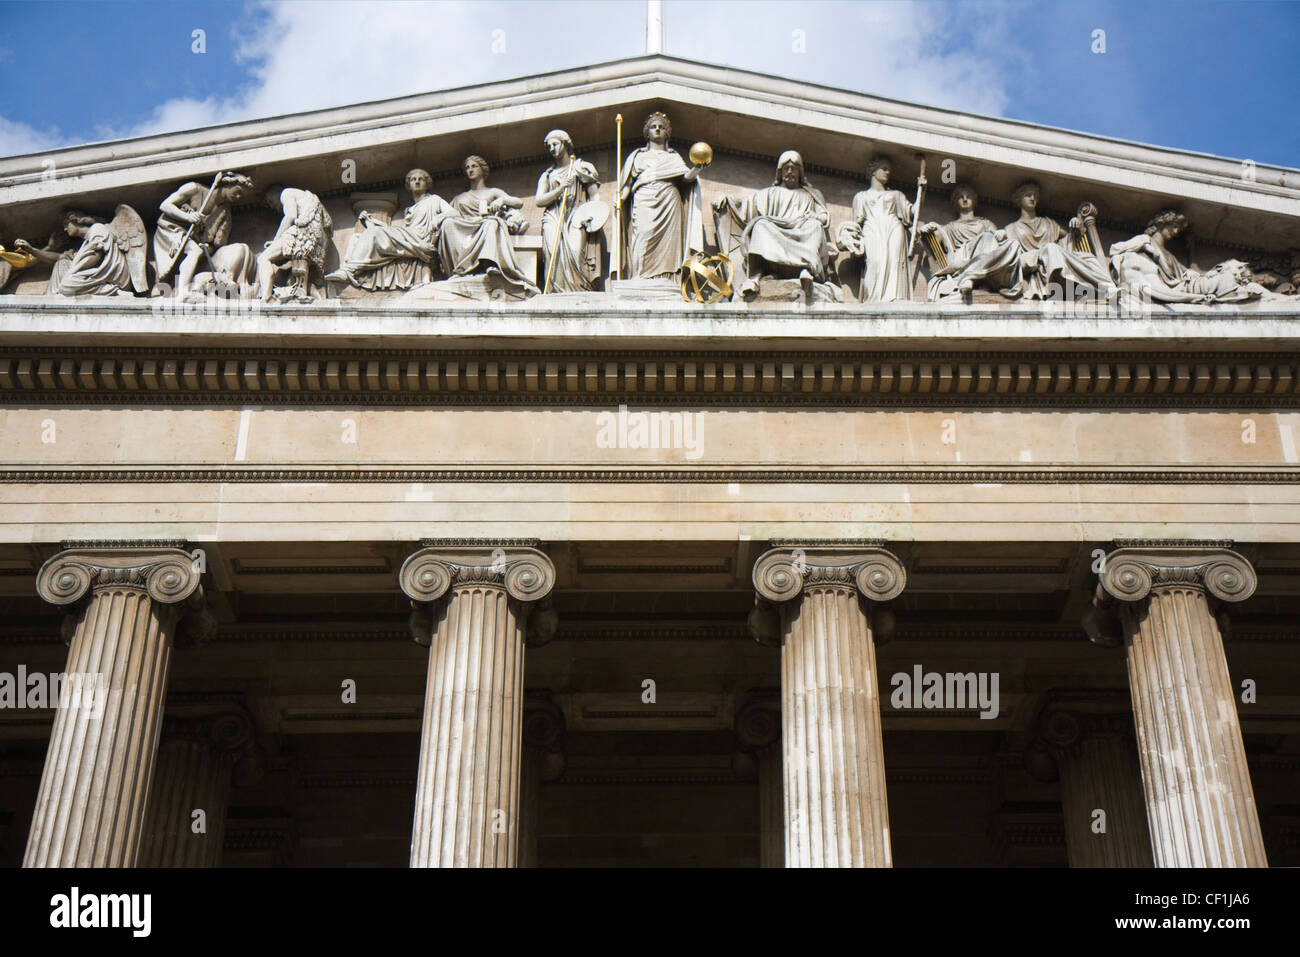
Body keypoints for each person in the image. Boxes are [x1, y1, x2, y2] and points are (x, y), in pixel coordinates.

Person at [714, 150, 835, 299]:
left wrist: (816, 217)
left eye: (794, 168)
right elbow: (745, 206)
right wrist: (726, 198)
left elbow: (823, 216)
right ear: (780, 172)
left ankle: (806, 270)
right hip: (776, 229)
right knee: (761, 225)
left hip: (801, 230)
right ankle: (755, 277)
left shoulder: (812, 194)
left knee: (815, 226)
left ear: (800, 172)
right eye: (786, 168)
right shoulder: (769, 193)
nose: (790, 172)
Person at [327, 169, 451, 291]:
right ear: (409, 185)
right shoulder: (410, 209)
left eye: (421, 179)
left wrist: (438, 219)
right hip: (409, 238)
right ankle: (350, 270)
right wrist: (372, 221)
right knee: (362, 235)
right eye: (413, 179)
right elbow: (401, 233)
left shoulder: (435, 200)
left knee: (374, 233)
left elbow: (454, 214)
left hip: (420, 240)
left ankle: (348, 270)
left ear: (427, 183)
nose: (417, 182)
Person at [1110, 210, 1267, 303]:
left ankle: (1252, 290)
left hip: (1181, 287)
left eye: (1179, 228)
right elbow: (1117, 250)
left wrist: (1191, 264)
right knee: (1223, 280)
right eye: (1174, 226)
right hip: (1165, 288)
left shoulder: (1170, 256)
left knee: (1224, 276)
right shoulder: (1143, 241)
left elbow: (1186, 274)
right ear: (1161, 224)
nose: (1177, 231)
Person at [618, 112, 704, 280]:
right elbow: (627, 185)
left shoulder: (673, 157)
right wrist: (620, 199)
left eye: (661, 127)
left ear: (667, 133)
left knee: (668, 246)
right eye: (653, 127)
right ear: (647, 132)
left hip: (669, 200)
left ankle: (666, 278)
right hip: (643, 197)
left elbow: (686, 177)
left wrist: (698, 167)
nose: (657, 129)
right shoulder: (637, 156)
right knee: (642, 236)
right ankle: (639, 276)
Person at [437, 155, 538, 297]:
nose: (470, 170)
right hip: (465, 227)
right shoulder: (459, 197)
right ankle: (460, 269)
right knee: (447, 224)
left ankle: (490, 263)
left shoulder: (493, 192)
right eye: (467, 167)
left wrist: (502, 200)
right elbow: (450, 213)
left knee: (491, 223)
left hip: (484, 224)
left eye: (474, 166)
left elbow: (518, 203)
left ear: (483, 169)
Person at [155, 172, 256, 299]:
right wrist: (188, 217)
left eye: (241, 195)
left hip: (193, 239)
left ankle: (183, 288)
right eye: (238, 191)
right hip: (171, 228)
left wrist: (208, 247)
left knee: (197, 251)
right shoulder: (194, 188)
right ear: (226, 184)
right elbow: (164, 205)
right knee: (195, 252)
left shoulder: (225, 212)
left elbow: (218, 242)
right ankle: (183, 293)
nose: (238, 196)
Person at [837, 156, 916, 302]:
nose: (888, 173)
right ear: (873, 171)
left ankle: (896, 297)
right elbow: (856, 223)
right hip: (871, 229)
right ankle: (873, 299)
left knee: (895, 261)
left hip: (894, 227)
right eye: (884, 169)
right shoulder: (861, 197)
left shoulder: (896, 195)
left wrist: (921, 192)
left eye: (889, 170)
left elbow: (912, 212)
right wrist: (847, 237)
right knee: (875, 262)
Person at [535, 130, 601, 293]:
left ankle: (577, 291)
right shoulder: (548, 175)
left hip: (576, 215)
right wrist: (560, 189)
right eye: (549, 146)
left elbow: (595, 196)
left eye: (555, 144)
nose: (552, 148)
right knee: (554, 252)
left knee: (575, 251)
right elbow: (539, 200)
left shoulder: (581, 167)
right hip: (553, 217)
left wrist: (592, 216)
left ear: (565, 144)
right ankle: (556, 291)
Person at [917, 185, 1001, 302]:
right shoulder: (950, 227)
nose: (965, 199)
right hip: (960, 259)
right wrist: (926, 232)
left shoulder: (986, 224)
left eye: (968, 196)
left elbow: (999, 244)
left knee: (990, 239)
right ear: (955, 202)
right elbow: (934, 240)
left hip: (984, 259)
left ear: (975, 200)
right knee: (987, 237)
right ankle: (969, 277)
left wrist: (1001, 235)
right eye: (961, 197)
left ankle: (971, 278)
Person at [257, 185, 333, 301]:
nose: (273, 206)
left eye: (271, 201)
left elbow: (290, 216)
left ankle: (266, 297)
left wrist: (275, 241)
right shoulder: (309, 198)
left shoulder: (286, 193)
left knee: (263, 258)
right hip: (313, 241)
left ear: (275, 193)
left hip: (301, 235)